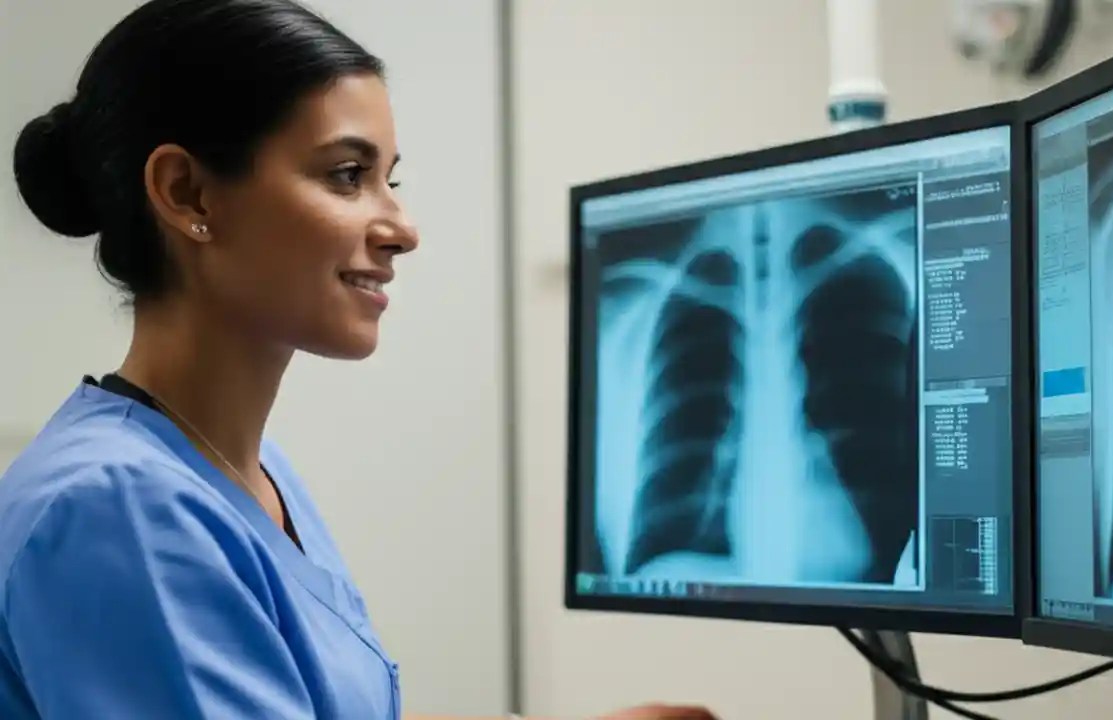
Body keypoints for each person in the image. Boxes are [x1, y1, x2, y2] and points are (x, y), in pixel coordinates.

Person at [0, 1, 718, 719]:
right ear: (187, 192)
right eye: (347, 175)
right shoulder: (116, 509)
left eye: (390, 181)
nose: (402, 229)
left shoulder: (245, 473)